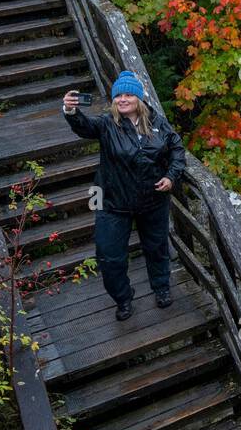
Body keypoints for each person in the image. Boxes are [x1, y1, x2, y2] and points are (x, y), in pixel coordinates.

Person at [62, 70, 185, 322]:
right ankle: (123, 297)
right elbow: (85, 127)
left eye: (129, 94)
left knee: (157, 247)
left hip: (152, 200)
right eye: (118, 95)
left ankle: (161, 287)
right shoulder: (108, 124)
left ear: (139, 98)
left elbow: (176, 148)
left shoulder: (157, 122)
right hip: (113, 203)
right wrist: (71, 111)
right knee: (109, 255)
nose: (123, 99)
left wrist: (172, 176)